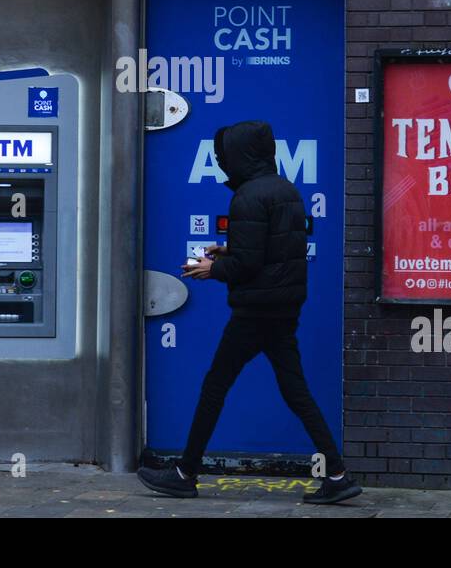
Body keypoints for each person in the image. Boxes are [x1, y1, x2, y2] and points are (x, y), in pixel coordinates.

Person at [137, 120, 361, 505]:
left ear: (240, 155)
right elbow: (269, 249)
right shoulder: (284, 189)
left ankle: (184, 473)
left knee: (214, 387)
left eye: (226, 155)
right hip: (282, 309)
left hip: (255, 312)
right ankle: (338, 474)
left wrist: (213, 269)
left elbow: (249, 265)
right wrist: (228, 251)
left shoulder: (247, 197)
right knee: (296, 391)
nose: (223, 162)